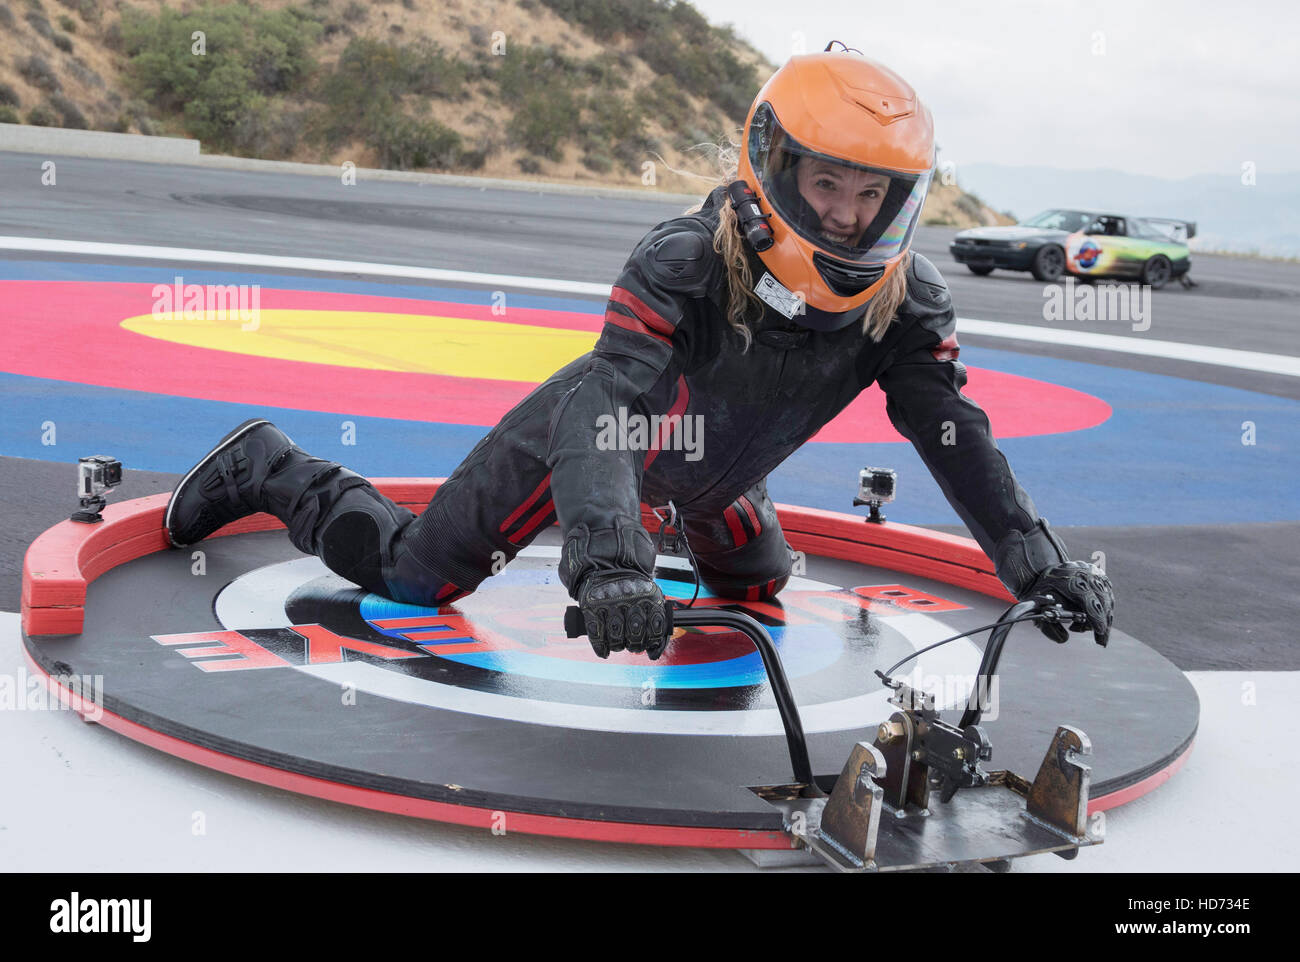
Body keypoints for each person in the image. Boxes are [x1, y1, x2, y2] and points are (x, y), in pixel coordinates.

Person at [165, 49, 1113, 661]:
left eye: (873, 195)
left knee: (756, 587)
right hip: (585, 439)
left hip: (710, 471)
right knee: (413, 575)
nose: (846, 215)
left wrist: (1036, 563)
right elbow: (607, 411)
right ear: (774, 165)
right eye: (826, 182)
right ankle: (273, 468)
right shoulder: (688, 259)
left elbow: (954, 433)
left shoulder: (906, 298)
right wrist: (610, 564)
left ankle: (684, 527)